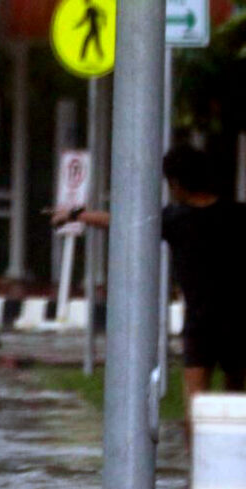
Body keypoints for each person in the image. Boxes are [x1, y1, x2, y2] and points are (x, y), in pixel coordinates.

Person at [54, 145, 246, 438]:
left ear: (177, 183)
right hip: (238, 321)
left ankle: (197, 468)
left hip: (200, 322)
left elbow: (124, 222)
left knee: (194, 401)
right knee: (236, 400)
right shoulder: (236, 214)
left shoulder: (175, 218)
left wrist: (77, 215)